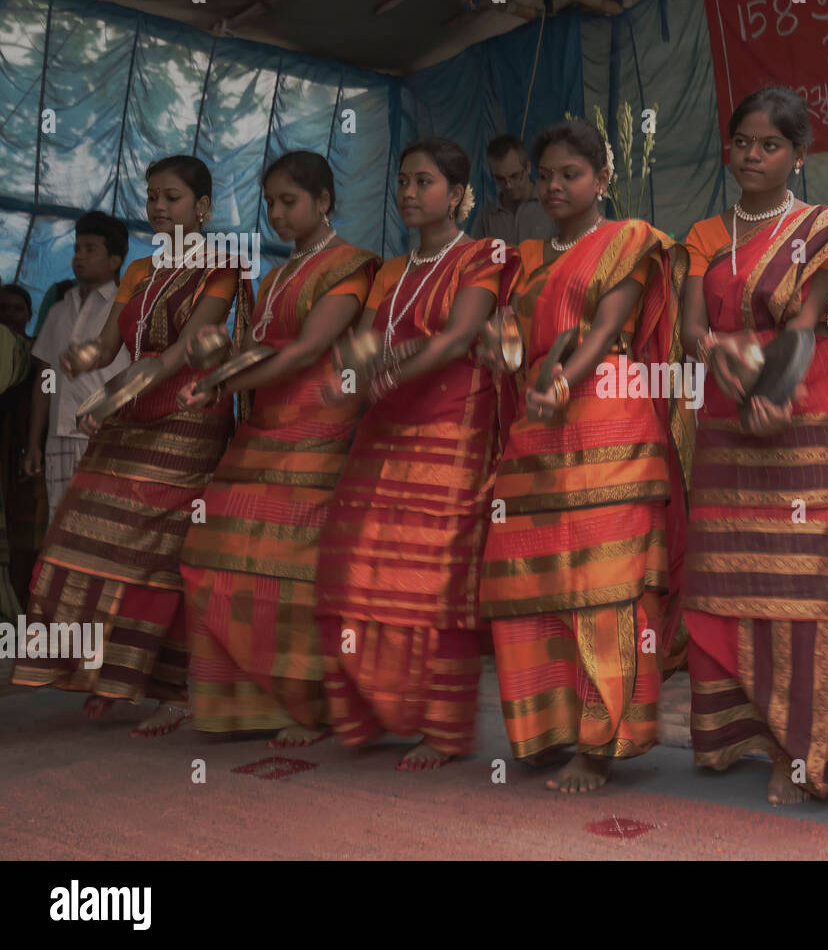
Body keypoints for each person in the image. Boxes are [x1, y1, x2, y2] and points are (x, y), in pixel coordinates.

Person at [679, 86, 828, 806]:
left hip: (804, 412)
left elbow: (804, 321)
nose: (753, 156)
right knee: (727, 583)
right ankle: (744, 730)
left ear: (800, 155)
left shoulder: (821, 230)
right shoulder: (705, 233)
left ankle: (800, 749)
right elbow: (690, 328)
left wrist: (773, 394)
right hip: (727, 419)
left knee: (804, 590)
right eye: (743, 143)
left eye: (770, 145)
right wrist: (720, 358)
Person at [476, 117, 690, 793]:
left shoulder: (627, 239)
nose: (554, 186)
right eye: (545, 176)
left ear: (603, 178)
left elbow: (605, 328)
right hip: (535, 430)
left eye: (570, 173)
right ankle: (548, 727)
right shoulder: (526, 259)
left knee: (606, 588)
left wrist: (563, 382)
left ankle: (601, 743)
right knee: (528, 584)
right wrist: (502, 352)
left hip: (607, 420)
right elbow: (518, 343)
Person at [10, 156, 247, 734]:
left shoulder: (224, 267)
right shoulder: (140, 269)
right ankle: (110, 672)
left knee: (160, 554)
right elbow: (109, 344)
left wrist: (115, 393)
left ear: (203, 208)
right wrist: (83, 359)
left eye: (171, 197)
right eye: (152, 198)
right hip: (134, 406)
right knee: (77, 531)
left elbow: (186, 350)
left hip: (188, 416)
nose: (159, 208)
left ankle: (171, 690)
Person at [316, 138, 517, 770]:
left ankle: (441, 730)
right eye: (403, 181)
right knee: (353, 572)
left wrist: (386, 367)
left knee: (434, 586)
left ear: (457, 194)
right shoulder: (390, 273)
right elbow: (364, 346)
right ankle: (368, 712)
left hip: (451, 430)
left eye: (424, 182)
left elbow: (459, 337)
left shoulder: (481, 255)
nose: (408, 192)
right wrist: (350, 378)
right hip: (382, 432)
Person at [180, 151, 379, 745]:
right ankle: (247, 703)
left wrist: (219, 380)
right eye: (269, 203)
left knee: (291, 570)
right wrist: (218, 353)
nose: (276, 213)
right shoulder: (273, 276)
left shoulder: (352, 265)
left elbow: (305, 350)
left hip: (317, 426)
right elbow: (262, 349)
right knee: (212, 550)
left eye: (288, 201)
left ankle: (307, 705)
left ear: (322, 202)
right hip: (263, 428)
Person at [22, 214, 132, 513]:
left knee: (98, 524)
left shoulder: (127, 310)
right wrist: (35, 442)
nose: (79, 257)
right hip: (58, 437)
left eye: (90, 249)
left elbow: (137, 378)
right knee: (57, 523)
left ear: (114, 260)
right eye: (77, 248)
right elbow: (46, 379)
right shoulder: (59, 310)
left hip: (105, 438)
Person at [0, 284, 41, 610]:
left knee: (25, 529)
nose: (10, 314)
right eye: (4, 308)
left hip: (23, 446)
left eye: (18, 308)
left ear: (29, 315)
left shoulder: (37, 352)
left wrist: (32, 446)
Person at [470, 134, 557, 247]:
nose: (508, 185)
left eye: (514, 176)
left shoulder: (552, 205)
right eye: (500, 179)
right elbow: (475, 260)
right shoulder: (486, 218)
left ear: (528, 167)